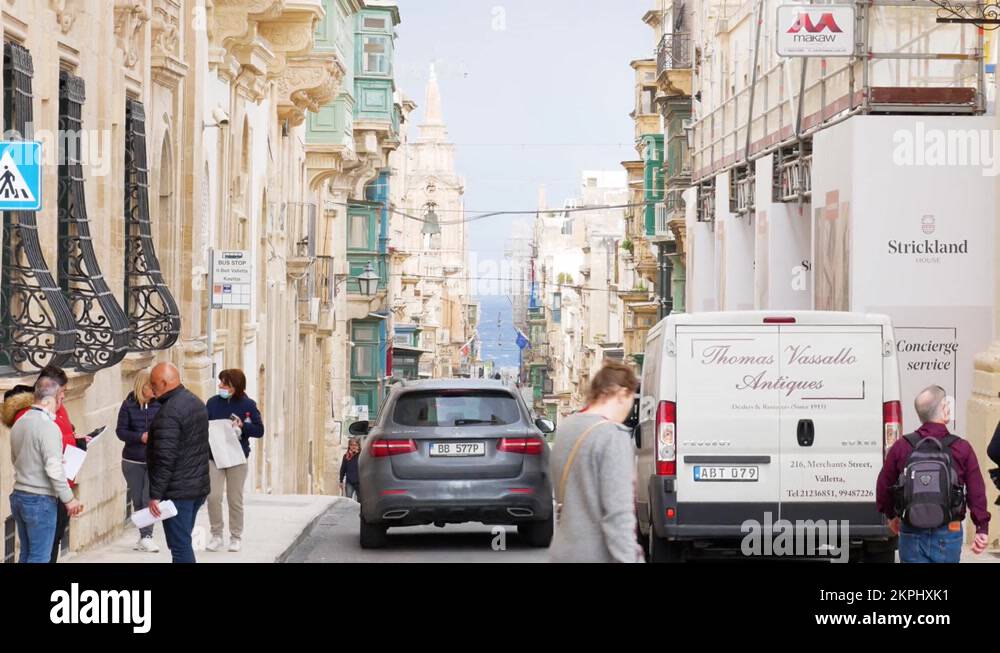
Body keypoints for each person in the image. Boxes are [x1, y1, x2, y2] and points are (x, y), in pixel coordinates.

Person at [876, 386, 990, 563]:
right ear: (945, 408)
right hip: (949, 531)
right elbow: (976, 491)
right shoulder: (961, 448)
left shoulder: (902, 446)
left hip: (911, 530)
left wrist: (892, 516)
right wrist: (982, 527)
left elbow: (883, 486)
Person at [548, 361, 644, 563]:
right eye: (631, 400)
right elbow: (618, 515)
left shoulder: (567, 428)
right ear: (621, 394)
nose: (629, 409)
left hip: (563, 552)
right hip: (598, 554)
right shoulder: (612, 436)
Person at [8, 377, 84, 562]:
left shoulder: (21, 421)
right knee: (40, 557)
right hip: (39, 499)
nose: (62, 402)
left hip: (20, 494)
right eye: (61, 397)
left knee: (26, 554)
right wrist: (69, 499)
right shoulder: (48, 426)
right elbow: (54, 469)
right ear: (50, 399)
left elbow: (18, 458)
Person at [146, 362, 210, 563]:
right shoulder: (195, 402)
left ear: (164, 383)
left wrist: (155, 495)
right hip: (196, 487)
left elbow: (165, 458)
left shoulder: (169, 412)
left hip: (178, 491)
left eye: (154, 385)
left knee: (180, 547)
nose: (152, 389)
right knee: (182, 541)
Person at [30, 365, 89, 563]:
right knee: (42, 548)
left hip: (64, 480)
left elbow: (64, 436)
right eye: (62, 392)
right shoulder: (38, 414)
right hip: (49, 489)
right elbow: (47, 456)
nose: (64, 396)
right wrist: (68, 498)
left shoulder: (58, 408)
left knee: (54, 540)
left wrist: (78, 441)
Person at [205, 368, 263, 553]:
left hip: (237, 458)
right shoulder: (212, 403)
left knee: (234, 499)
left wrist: (243, 426)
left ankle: (236, 536)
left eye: (225, 383)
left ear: (234, 387)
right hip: (214, 456)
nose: (220, 386)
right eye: (221, 382)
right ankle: (216, 535)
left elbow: (259, 430)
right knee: (213, 497)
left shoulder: (248, 405)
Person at [116, 369, 161, 553]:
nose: (155, 391)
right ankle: (143, 536)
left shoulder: (161, 405)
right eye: (152, 387)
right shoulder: (128, 405)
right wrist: (139, 437)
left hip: (154, 460)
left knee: (148, 498)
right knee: (137, 499)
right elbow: (120, 431)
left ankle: (147, 536)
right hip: (132, 460)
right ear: (142, 387)